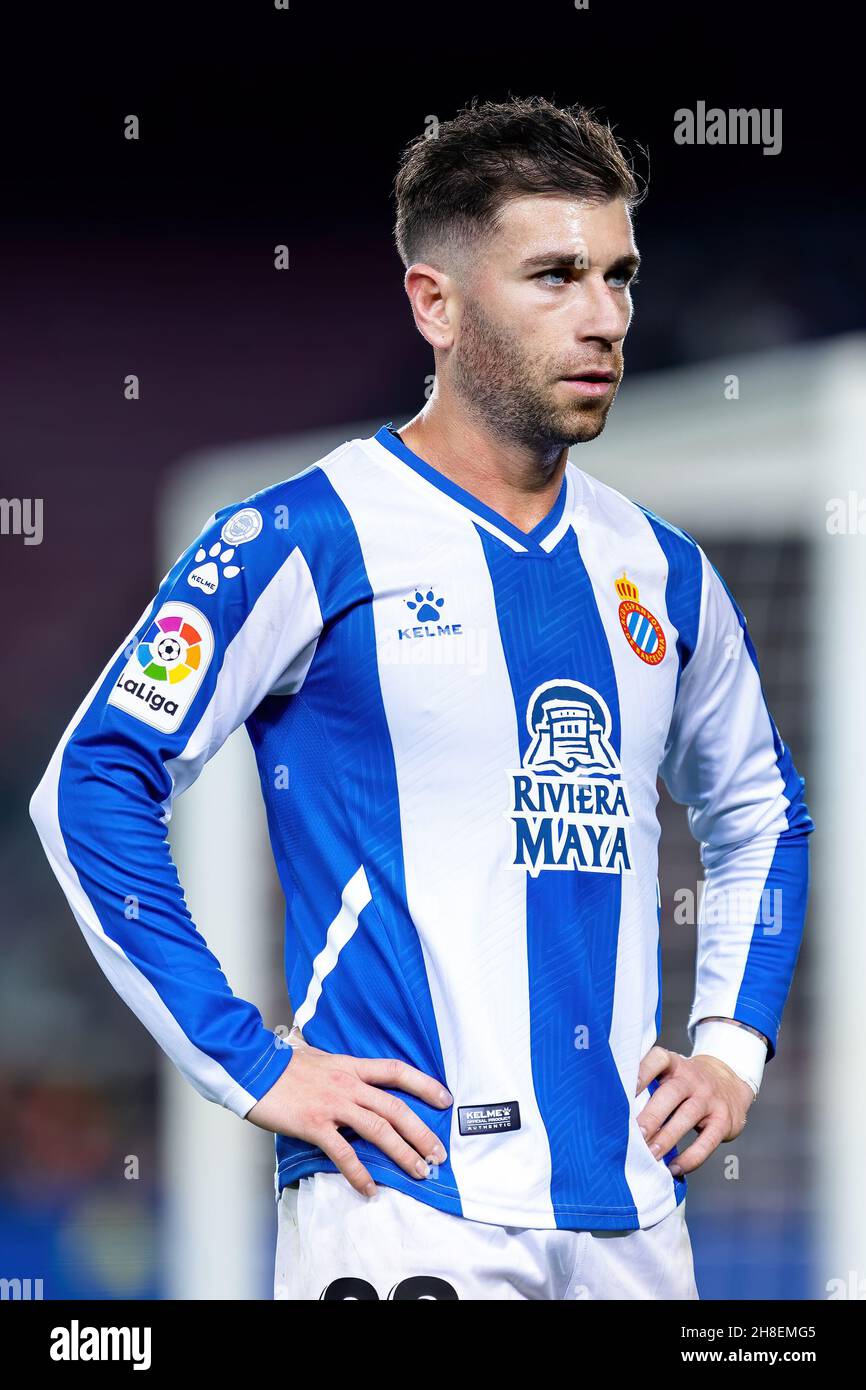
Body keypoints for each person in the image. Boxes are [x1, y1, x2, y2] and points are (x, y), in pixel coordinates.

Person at [30, 96, 813, 1301]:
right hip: (404, 1208)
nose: (604, 316)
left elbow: (759, 809)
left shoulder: (665, 572)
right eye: (553, 276)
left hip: (634, 1220)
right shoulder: (302, 534)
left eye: (619, 276)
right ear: (433, 304)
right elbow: (93, 781)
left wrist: (729, 1046)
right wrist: (247, 1061)